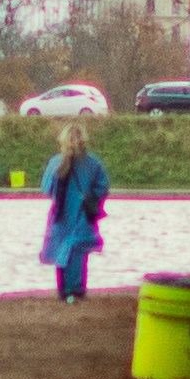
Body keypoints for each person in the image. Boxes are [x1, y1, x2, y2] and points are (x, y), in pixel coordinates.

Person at [37, 128, 112, 302]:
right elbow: (103, 186)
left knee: (60, 251)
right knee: (78, 252)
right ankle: (77, 288)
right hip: (82, 216)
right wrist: (90, 196)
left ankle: (64, 290)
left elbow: (47, 188)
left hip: (60, 216)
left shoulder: (56, 162)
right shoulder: (92, 163)